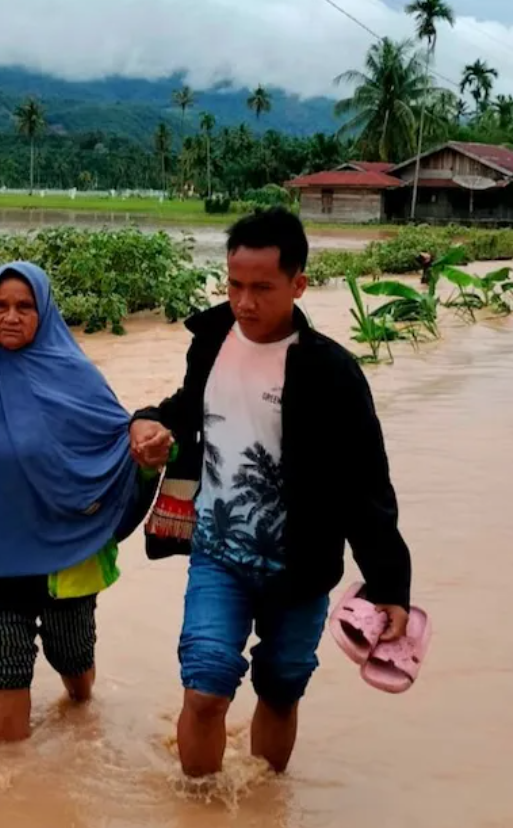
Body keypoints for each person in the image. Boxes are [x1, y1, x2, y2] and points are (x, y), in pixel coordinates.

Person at [130, 208, 413, 778]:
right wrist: (147, 421)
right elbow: (189, 408)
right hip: (218, 556)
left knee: (281, 691)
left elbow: (366, 485)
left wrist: (390, 586)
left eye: (262, 288)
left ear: (298, 283)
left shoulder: (331, 372)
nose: (244, 302)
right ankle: (200, 825)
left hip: (301, 568)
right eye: (235, 285)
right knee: (205, 689)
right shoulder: (210, 339)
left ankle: (264, 816)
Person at [0, 262, 162, 742]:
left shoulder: (79, 377)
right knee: (4, 666)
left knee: (72, 655)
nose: (10, 316)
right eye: (0, 307)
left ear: (44, 312)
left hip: (67, 555)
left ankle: (83, 720)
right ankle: (10, 789)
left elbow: (118, 441)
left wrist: (146, 451)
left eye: (24, 307)